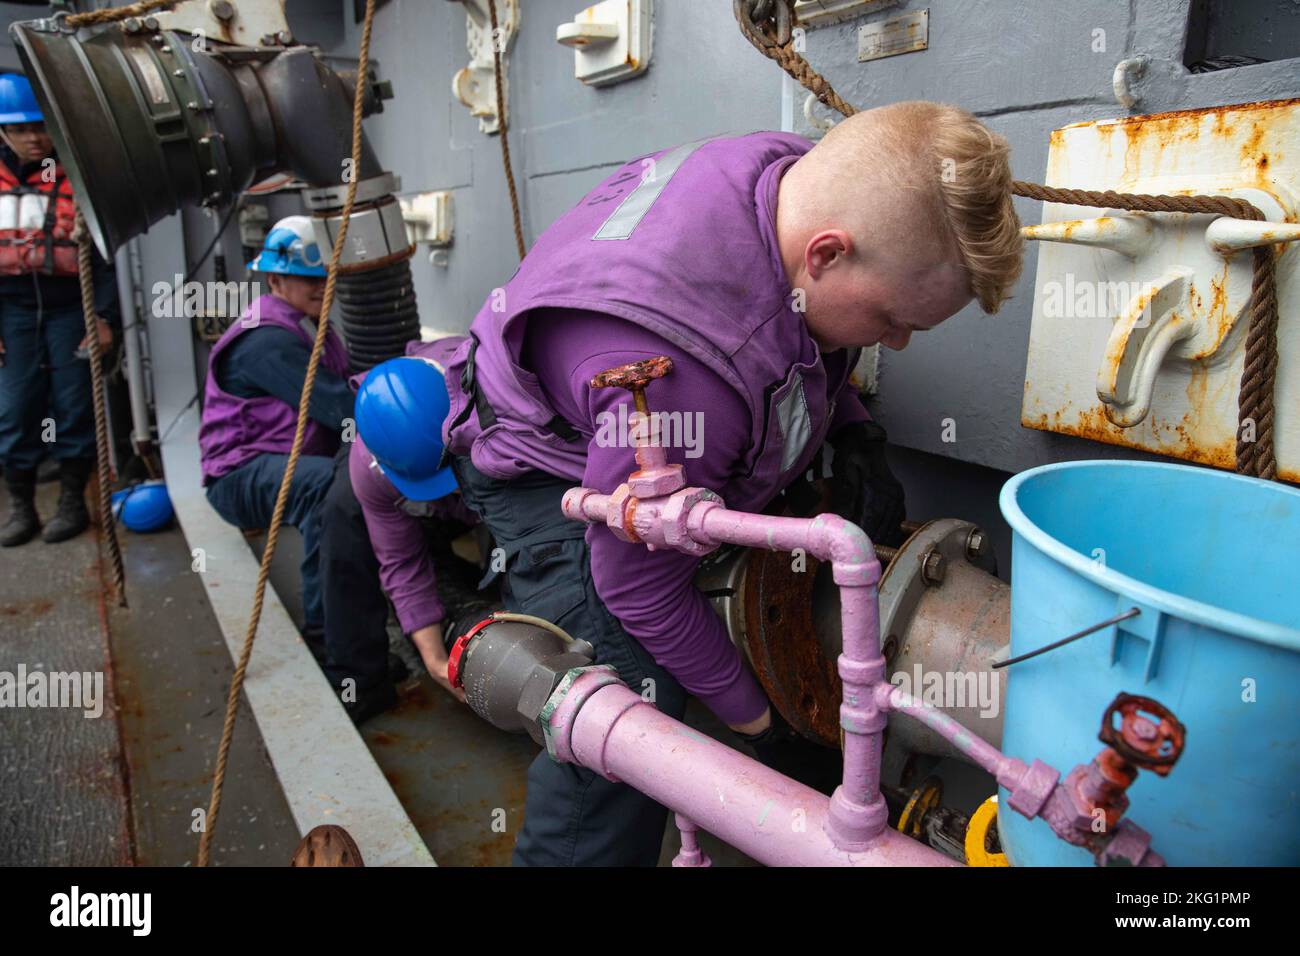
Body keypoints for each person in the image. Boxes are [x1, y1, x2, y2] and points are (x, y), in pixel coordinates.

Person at [442, 101, 1024, 865]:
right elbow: (638, 585)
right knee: (632, 701)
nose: (898, 340)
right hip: (547, 472)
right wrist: (758, 720)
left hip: (676, 408)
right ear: (825, 256)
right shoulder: (678, 379)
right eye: (888, 319)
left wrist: (851, 426)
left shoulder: (786, 174)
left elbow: (794, 345)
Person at [198, 215, 396, 723]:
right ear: (274, 280)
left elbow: (346, 389)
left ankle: (352, 637)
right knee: (330, 491)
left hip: (286, 459)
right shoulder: (268, 341)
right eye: (309, 278)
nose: (320, 287)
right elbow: (339, 407)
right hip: (238, 476)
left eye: (327, 276)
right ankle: (340, 659)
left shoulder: (311, 325)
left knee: (340, 483)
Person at [0, 72, 119, 547]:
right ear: (3, 132)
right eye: (21, 128)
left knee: (74, 406)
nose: (34, 138)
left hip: (73, 307)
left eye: (41, 126)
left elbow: (109, 257)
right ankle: (21, 507)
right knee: (15, 410)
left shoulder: (77, 176)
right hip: (12, 310)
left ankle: (72, 501)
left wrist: (105, 317)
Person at [349, 338, 490, 702]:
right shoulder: (371, 470)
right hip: (457, 511)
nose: (458, 489)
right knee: (338, 519)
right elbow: (402, 561)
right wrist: (435, 662)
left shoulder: (497, 389)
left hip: (514, 484)